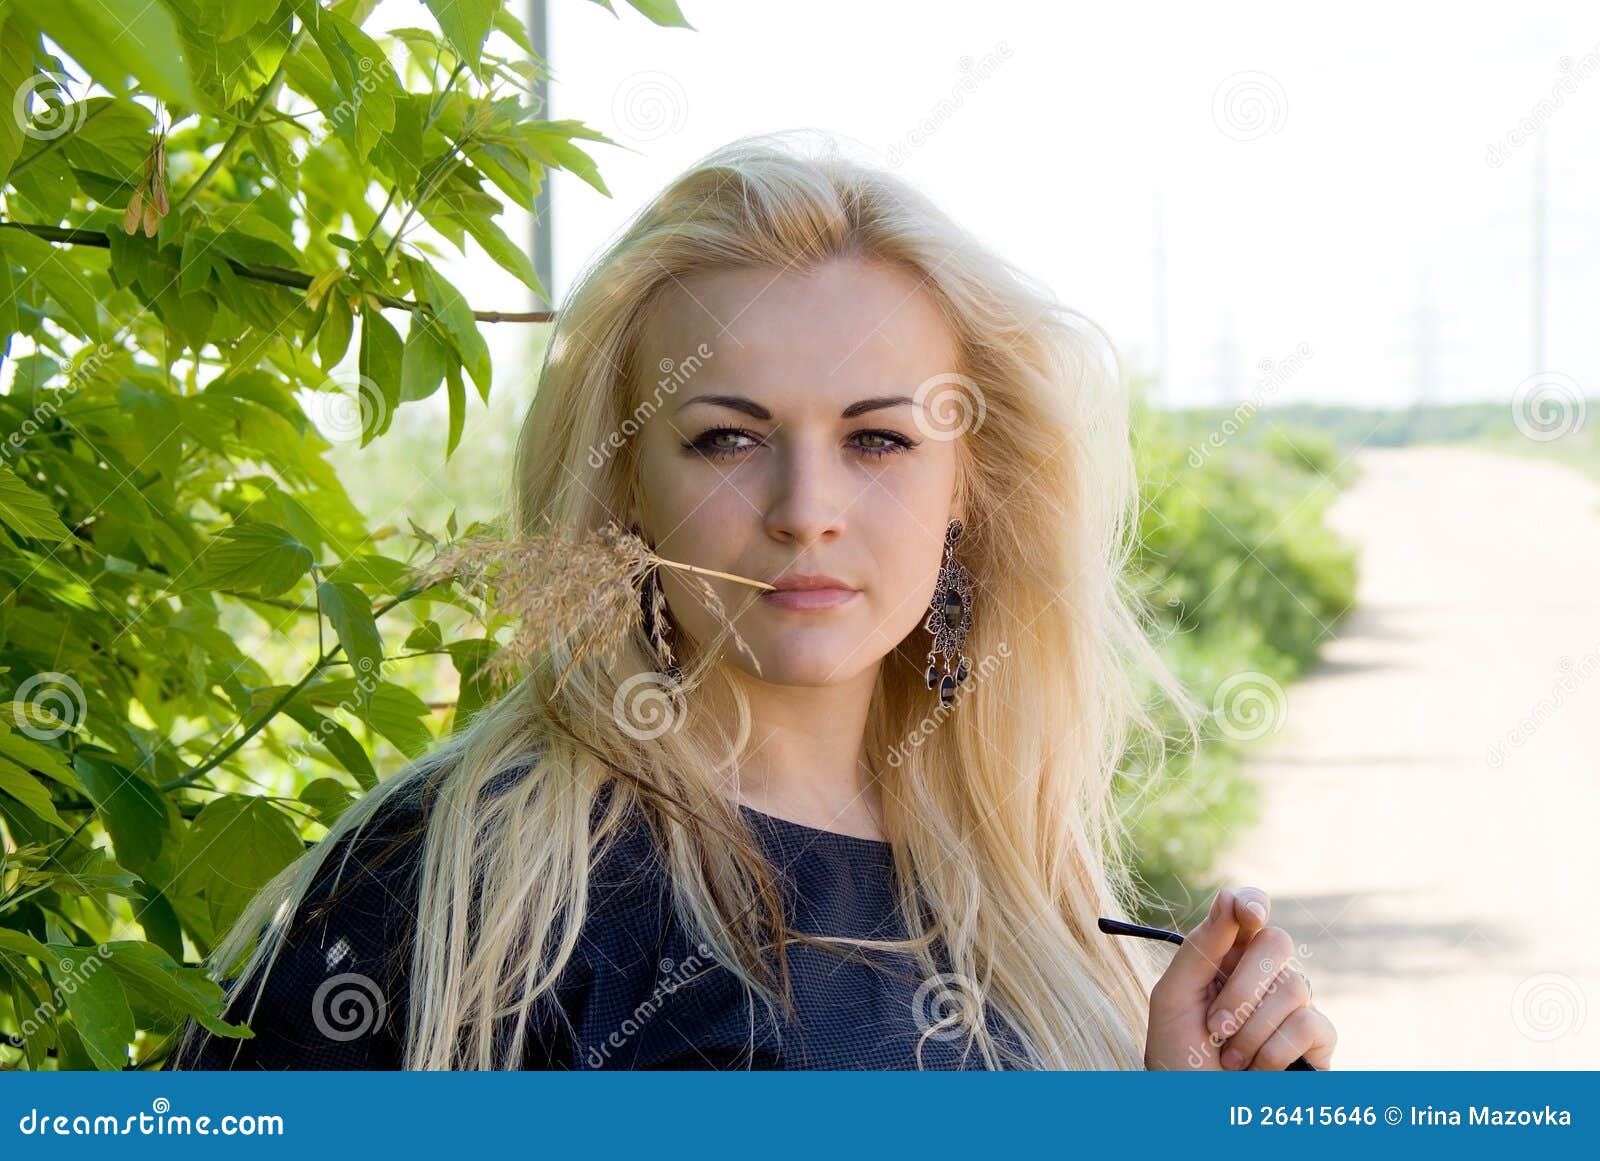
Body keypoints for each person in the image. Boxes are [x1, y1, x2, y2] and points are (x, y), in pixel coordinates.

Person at [169, 130, 1335, 1071]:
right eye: (727, 437)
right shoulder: (474, 881)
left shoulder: (1011, 870)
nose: (805, 509)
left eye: (878, 439)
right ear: (625, 477)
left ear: (965, 488)